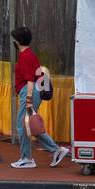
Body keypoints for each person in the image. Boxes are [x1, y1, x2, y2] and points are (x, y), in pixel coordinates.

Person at [10, 25, 69, 169]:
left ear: (17, 41)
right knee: (30, 124)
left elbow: (30, 79)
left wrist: (28, 99)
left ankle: (27, 158)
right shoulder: (29, 54)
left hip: (29, 91)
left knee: (23, 125)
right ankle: (55, 150)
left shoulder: (25, 56)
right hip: (33, 90)